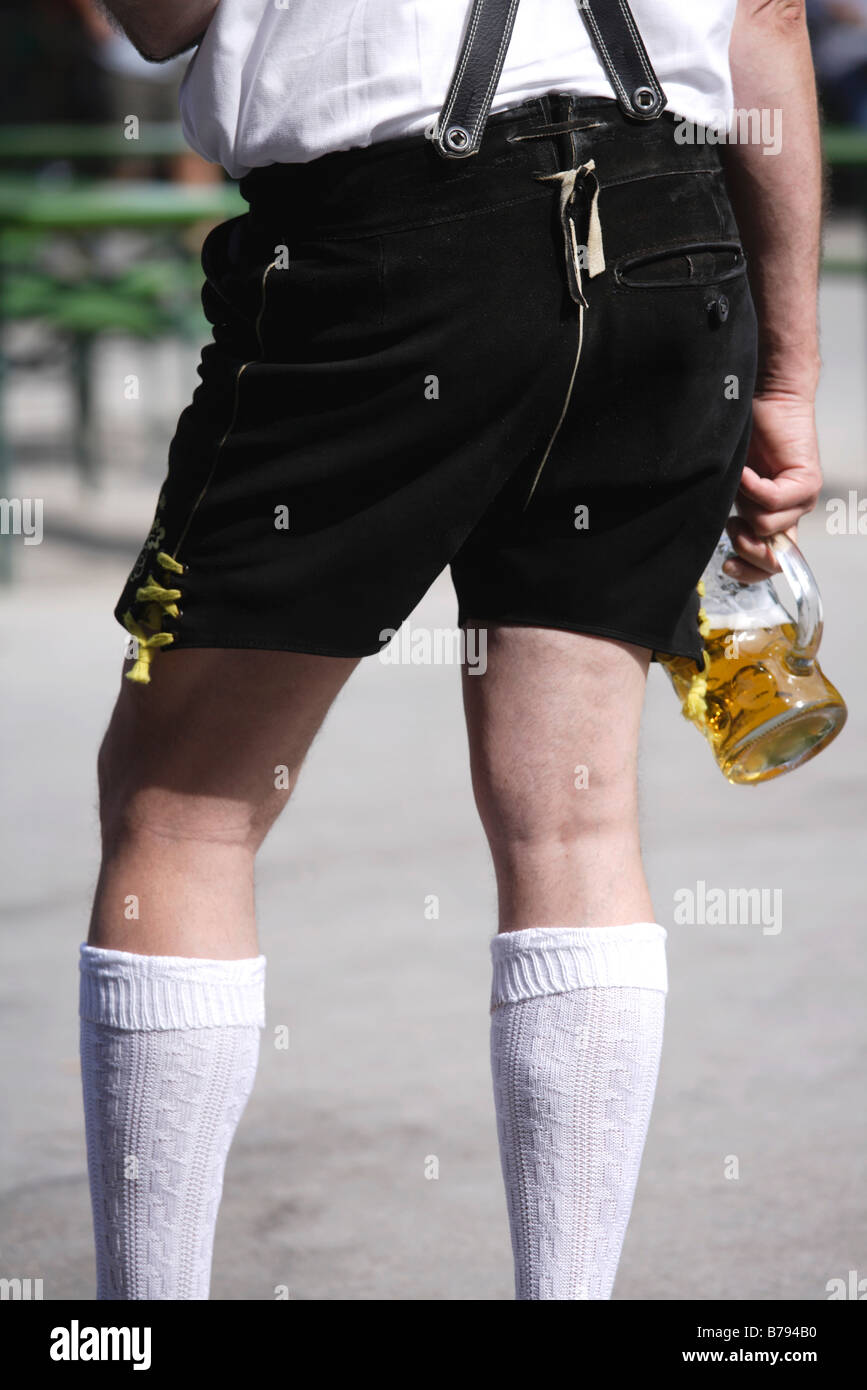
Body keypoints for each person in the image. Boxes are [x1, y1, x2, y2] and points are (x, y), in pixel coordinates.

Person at [79, 0, 823, 1301]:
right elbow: (766, 18)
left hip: (393, 233)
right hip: (667, 235)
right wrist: (788, 380)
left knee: (181, 808)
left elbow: (161, 18)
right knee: (574, 823)